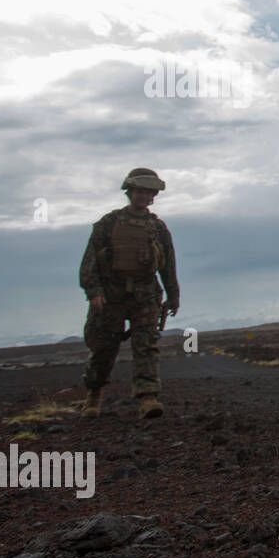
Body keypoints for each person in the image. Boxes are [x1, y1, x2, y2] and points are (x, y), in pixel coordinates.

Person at [79, 168, 179, 419]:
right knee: (103, 347)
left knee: (145, 346)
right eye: (139, 191)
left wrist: (173, 296)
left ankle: (148, 398)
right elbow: (90, 260)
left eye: (148, 192)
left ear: (153, 195)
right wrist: (94, 291)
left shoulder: (157, 228)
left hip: (145, 294)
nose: (143, 196)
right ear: (130, 192)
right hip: (110, 294)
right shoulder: (108, 224)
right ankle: (93, 395)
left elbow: (168, 265)